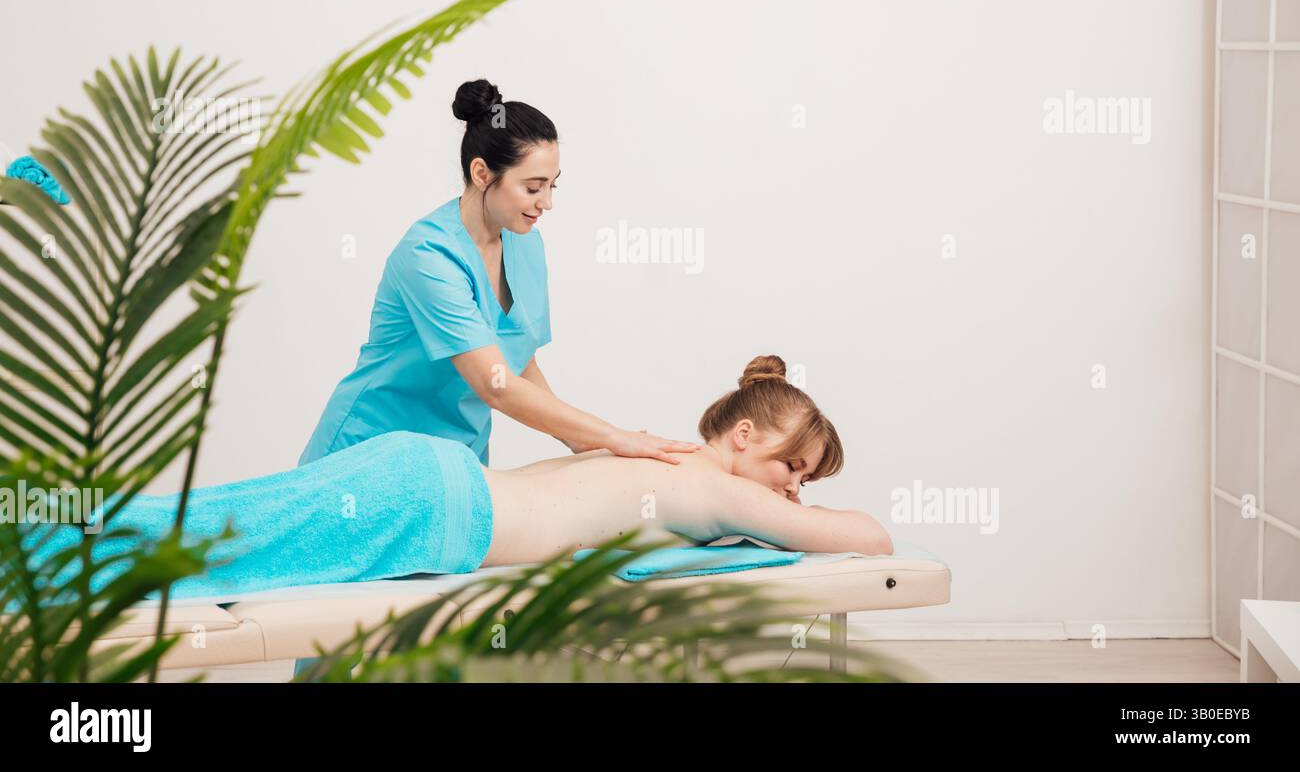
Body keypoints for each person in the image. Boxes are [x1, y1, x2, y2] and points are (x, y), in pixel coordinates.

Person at [17, 356, 892, 611]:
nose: (791, 496)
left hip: (429, 477)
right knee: (211, 544)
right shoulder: (711, 484)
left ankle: (32, 525)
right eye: (792, 470)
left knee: (210, 522)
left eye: (803, 485)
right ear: (744, 436)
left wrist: (778, 498)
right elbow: (871, 540)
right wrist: (785, 512)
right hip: (433, 502)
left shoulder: (667, 462)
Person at [298, 78, 700, 469]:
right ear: (481, 173)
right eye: (533, 187)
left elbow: (519, 361)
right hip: (367, 454)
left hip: (453, 464)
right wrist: (614, 436)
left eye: (552, 187)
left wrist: (582, 440)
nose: (546, 203)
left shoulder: (525, 243)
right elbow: (496, 384)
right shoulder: (428, 255)